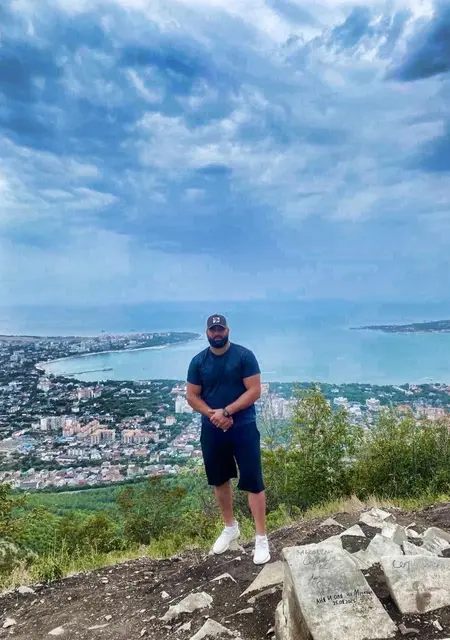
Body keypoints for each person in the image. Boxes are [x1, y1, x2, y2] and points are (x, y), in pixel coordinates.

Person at [186, 314, 270, 565]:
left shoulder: (244, 356)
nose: (217, 333)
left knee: (253, 481)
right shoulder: (198, 361)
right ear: (207, 333)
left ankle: (261, 538)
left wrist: (227, 411)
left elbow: (254, 390)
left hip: (243, 427)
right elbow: (192, 396)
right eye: (213, 330)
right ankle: (230, 527)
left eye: (220, 329)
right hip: (212, 428)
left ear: (228, 331)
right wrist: (214, 415)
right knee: (219, 479)